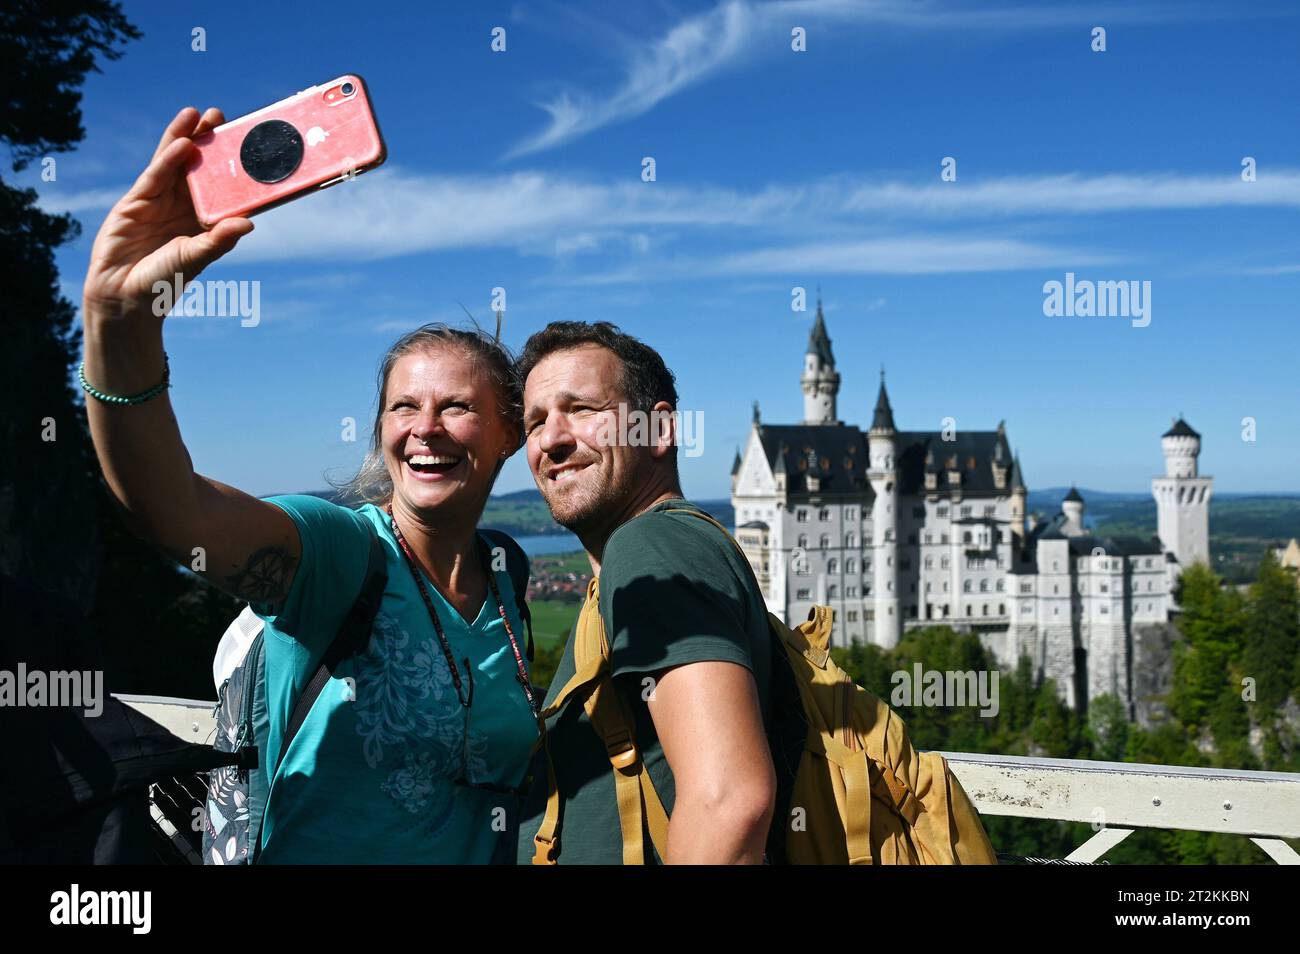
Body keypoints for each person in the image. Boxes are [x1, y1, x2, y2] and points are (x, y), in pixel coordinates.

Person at [79, 107, 537, 863]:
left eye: (456, 406)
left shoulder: (506, 576)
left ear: (508, 435)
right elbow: (171, 511)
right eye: (403, 407)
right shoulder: (339, 552)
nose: (424, 428)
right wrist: (120, 329)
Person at [513, 321, 777, 864]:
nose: (551, 439)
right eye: (535, 421)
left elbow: (729, 800)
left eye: (582, 409)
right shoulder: (635, 562)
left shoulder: (652, 543)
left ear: (657, 432)